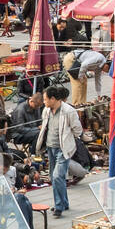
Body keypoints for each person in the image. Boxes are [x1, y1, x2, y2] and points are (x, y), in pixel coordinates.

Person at [36, 84, 83, 217]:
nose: (43, 102)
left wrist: (68, 139)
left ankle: (59, 206)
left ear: (52, 99)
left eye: (45, 99)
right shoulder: (46, 111)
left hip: (64, 148)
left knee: (57, 176)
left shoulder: (68, 111)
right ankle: (64, 202)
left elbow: (77, 130)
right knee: (55, 177)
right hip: (50, 147)